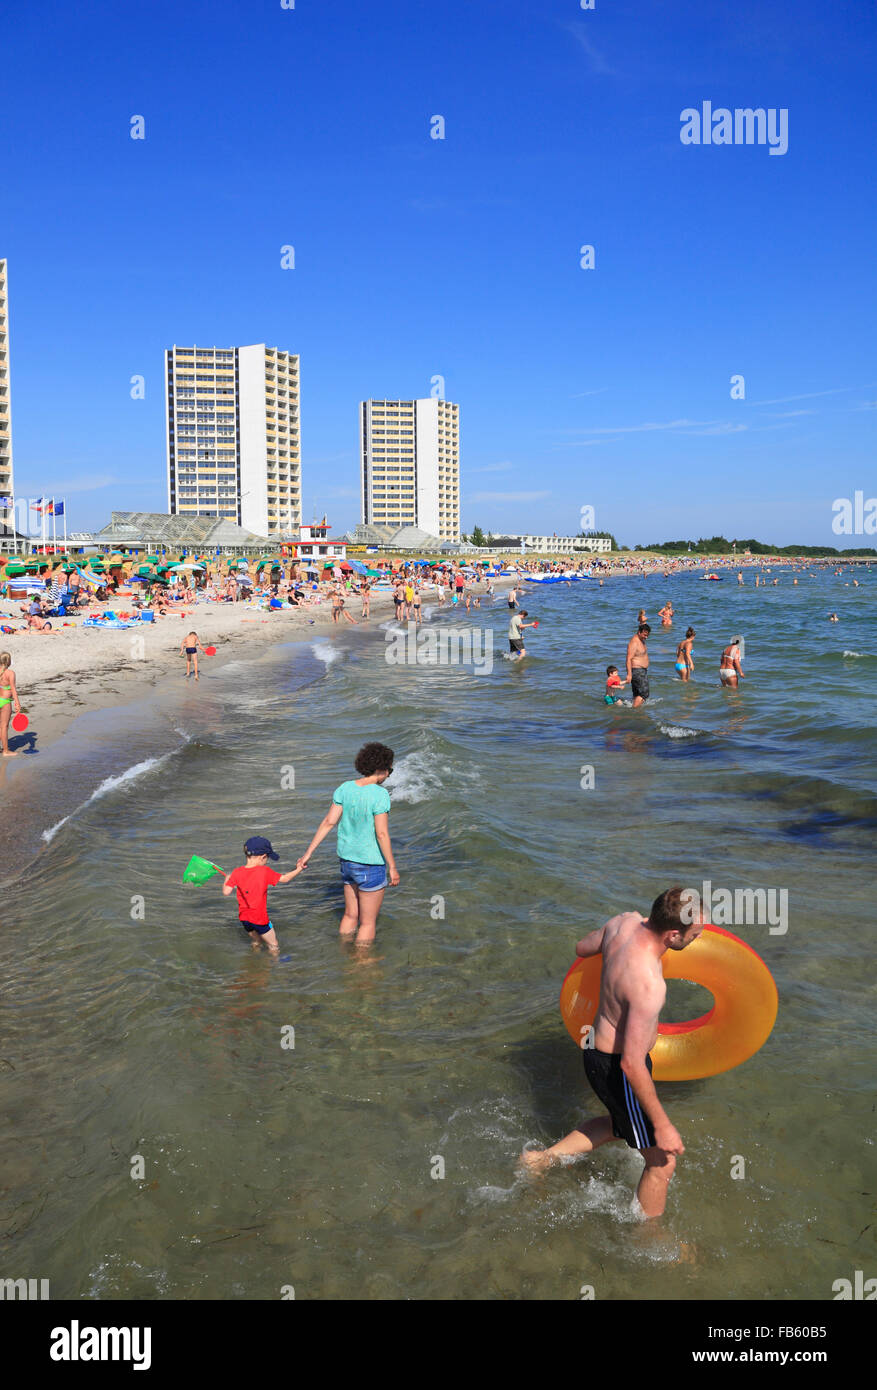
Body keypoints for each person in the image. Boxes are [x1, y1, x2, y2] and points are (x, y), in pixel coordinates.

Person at [520, 887, 704, 1219]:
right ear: (674, 934)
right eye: (695, 934)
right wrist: (663, 1125)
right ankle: (649, 1242)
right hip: (617, 1066)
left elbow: (582, 947)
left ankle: (540, 1160)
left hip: (595, 1051)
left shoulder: (623, 922)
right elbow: (632, 1064)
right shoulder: (648, 985)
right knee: (662, 1162)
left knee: (617, 1125)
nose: (698, 938)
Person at [297, 742, 399, 946]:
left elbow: (328, 822)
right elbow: (381, 833)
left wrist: (308, 853)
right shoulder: (380, 795)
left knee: (350, 915)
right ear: (381, 769)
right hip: (370, 863)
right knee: (368, 923)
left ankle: (344, 952)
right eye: (389, 770)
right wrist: (393, 866)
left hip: (346, 861)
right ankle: (359, 968)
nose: (389, 774)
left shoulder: (345, 788)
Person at [222, 836, 303, 955]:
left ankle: (254, 959)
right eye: (268, 858)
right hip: (260, 919)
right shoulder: (264, 871)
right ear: (263, 857)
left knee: (256, 941)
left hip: (244, 919)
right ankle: (273, 964)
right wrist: (299, 868)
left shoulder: (236, 872)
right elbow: (285, 878)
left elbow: (226, 892)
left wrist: (226, 879)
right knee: (273, 944)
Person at [0, 652, 22, 757]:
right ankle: (5, 751)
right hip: (5, 702)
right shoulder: (10, 673)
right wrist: (17, 703)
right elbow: (13, 689)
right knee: (4, 726)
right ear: (9, 662)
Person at [626, 623, 651, 706]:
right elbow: (629, 658)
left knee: (637, 694)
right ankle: (634, 711)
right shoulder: (634, 642)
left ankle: (634, 714)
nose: (646, 637)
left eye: (647, 635)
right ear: (639, 632)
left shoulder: (641, 640)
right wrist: (629, 674)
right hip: (637, 671)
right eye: (644, 635)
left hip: (640, 671)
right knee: (644, 694)